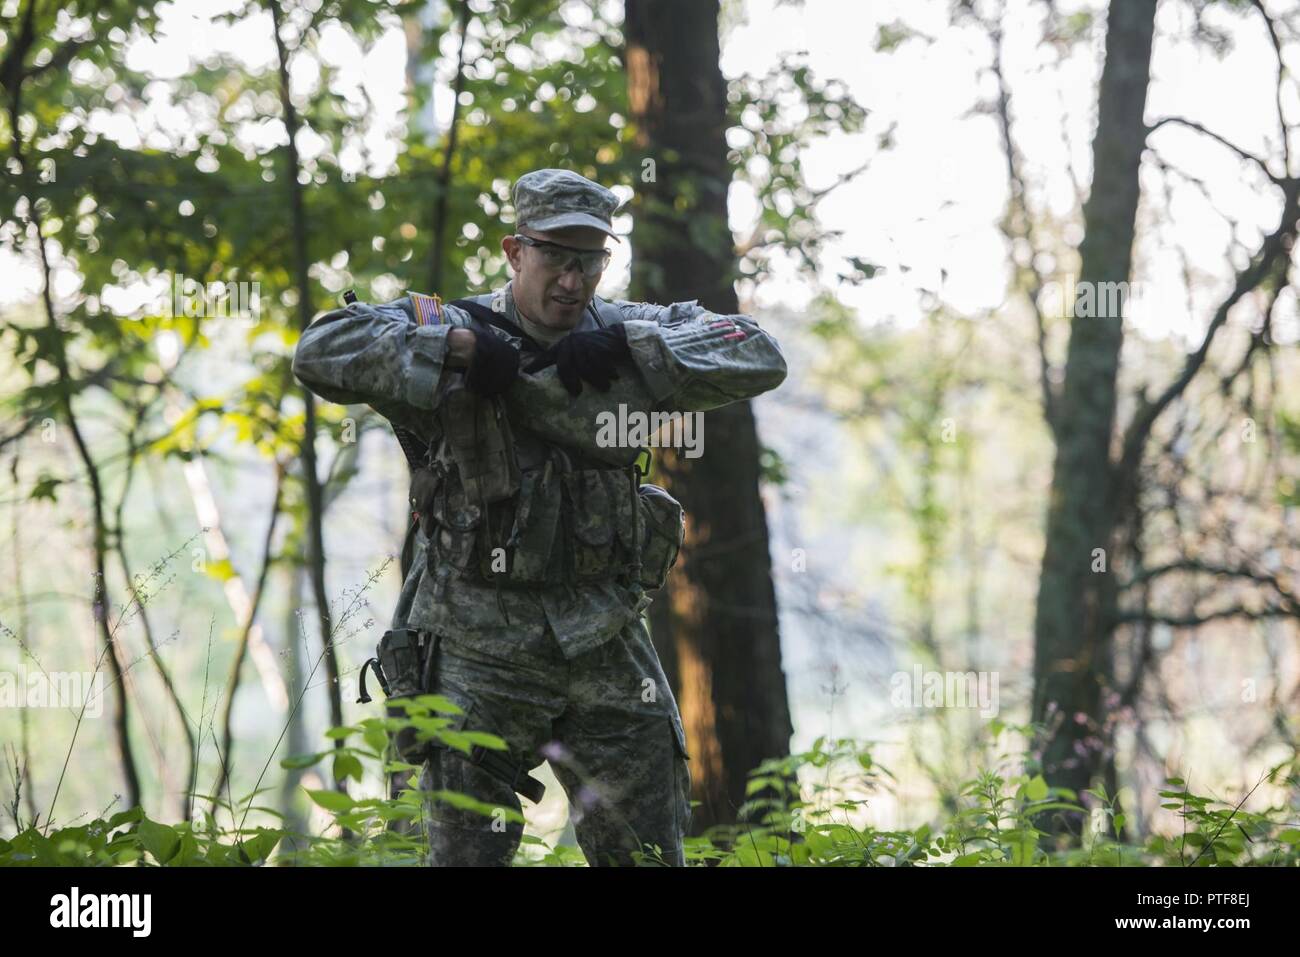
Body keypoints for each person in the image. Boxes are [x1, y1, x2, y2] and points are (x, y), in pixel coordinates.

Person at [291, 167, 787, 866]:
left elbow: (758, 351)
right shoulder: (449, 324)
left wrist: (628, 350)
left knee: (647, 850)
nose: (572, 280)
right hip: (473, 642)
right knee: (467, 854)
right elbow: (320, 350)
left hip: (604, 635)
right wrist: (454, 353)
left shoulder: (626, 330)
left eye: (590, 261)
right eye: (555, 256)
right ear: (515, 250)